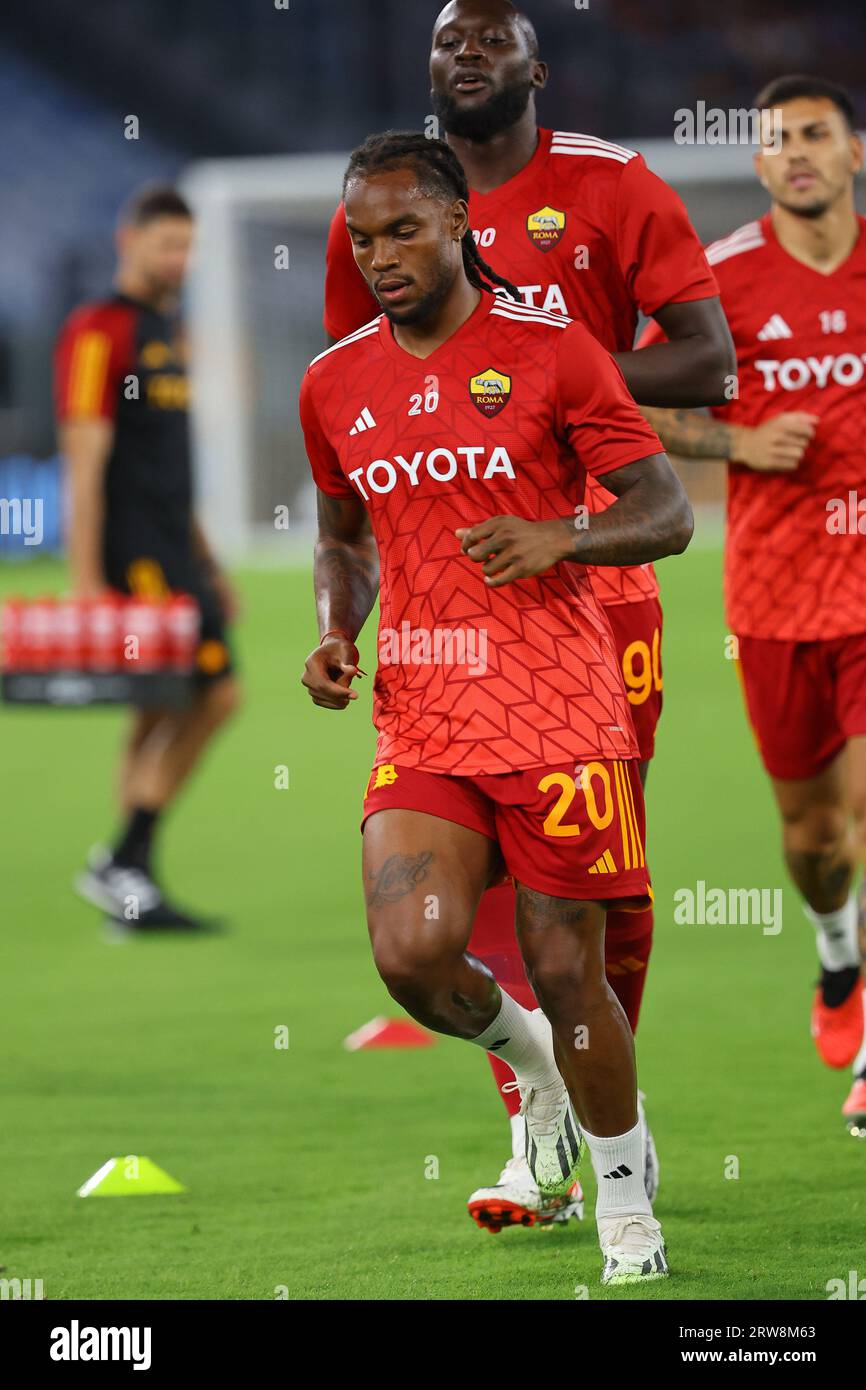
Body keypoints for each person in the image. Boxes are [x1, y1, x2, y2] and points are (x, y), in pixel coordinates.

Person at [321, 0, 734, 1228]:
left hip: (596, 578)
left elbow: (708, 361)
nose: (466, 53)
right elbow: (363, 389)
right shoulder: (384, 205)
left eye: (491, 37)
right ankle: (534, 1122)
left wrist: (557, 375)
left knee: (594, 892)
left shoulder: (611, 185)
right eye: (447, 36)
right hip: (449, 606)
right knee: (455, 892)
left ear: (535, 66)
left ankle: (610, 1129)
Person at [638, 76, 866, 1134]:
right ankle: (836, 952)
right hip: (776, 597)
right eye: (778, 139)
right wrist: (735, 441)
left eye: (816, 133)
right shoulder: (722, 278)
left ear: (853, 151)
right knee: (814, 836)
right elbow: (624, 395)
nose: (798, 152)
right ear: (758, 162)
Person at [54, 184, 241, 929]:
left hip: (175, 551)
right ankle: (124, 859)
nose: (180, 259)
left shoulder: (167, 331)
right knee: (215, 695)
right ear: (126, 241)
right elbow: (83, 461)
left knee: (158, 706)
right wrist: (84, 581)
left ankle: (129, 885)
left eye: (187, 246)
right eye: (167, 243)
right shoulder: (98, 330)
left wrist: (209, 564)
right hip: (134, 555)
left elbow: (170, 468)